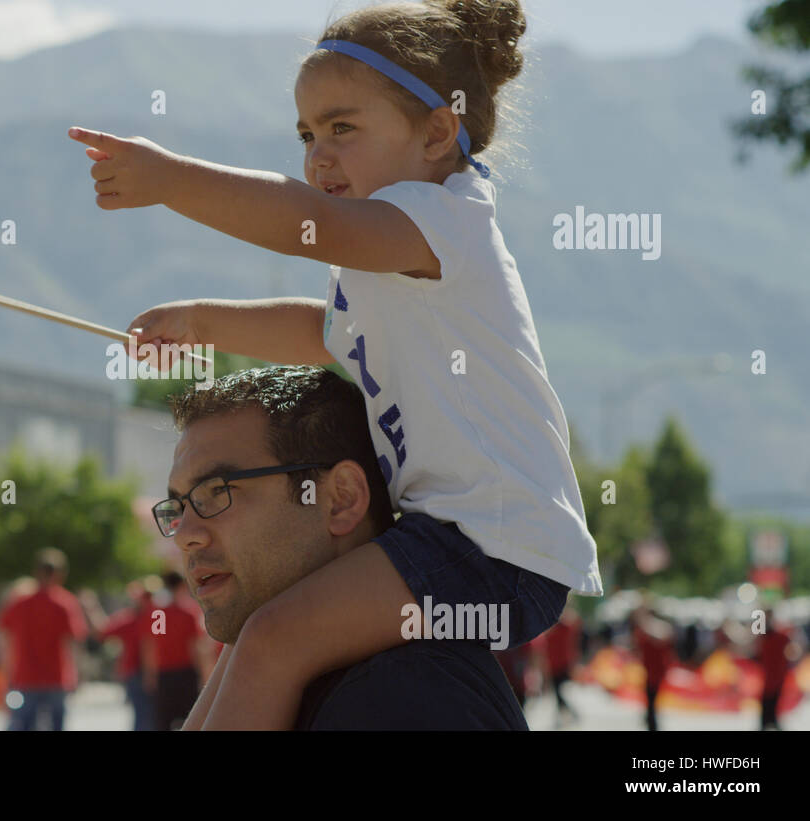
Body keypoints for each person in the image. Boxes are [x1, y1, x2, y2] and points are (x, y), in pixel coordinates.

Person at [72, 0, 599, 730]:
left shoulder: (448, 220)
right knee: (252, 640)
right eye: (306, 134)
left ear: (438, 131)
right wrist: (203, 321)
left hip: (499, 548)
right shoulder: (388, 266)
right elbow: (323, 332)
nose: (318, 156)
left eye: (342, 128)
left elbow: (302, 225)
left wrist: (171, 180)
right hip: (453, 537)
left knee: (273, 639)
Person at [160, 365, 527, 730]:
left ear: (342, 499)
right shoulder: (281, 681)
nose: (184, 535)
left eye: (219, 491)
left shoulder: (394, 695)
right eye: (179, 507)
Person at [0, 548, 87, 731]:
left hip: (25, 677)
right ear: (60, 574)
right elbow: (72, 642)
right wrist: (77, 675)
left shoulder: (20, 603)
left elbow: (5, 640)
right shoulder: (65, 603)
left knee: (21, 724)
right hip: (56, 678)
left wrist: (6, 672)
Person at [93, 578, 159, 731]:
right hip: (138, 673)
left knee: (147, 716)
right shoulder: (133, 617)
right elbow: (102, 631)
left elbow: (154, 643)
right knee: (145, 716)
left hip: (146, 673)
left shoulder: (155, 615)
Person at [150, 571, 211, 730]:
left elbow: (154, 644)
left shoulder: (158, 614)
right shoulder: (190, 612)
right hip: (186, 673)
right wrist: (206, 676)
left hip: (164, 673)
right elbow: (196, 647)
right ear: (183, 586)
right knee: (191, 720)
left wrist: (151, 673)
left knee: (163, 721)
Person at [631, 602, 674, 732]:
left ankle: (652, 723)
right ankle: (650, 721)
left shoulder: (656, 625)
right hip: (648, 669)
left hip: (657, 669)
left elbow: (662, 639)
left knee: (652, 698)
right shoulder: (642, 627)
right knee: (649, 699)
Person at [540, 600, 581, 727]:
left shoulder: (565, 624)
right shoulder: (554, 625)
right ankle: (563, 715)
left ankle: (568, 714)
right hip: (553, 662)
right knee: (557, 692)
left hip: (562, 662)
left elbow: (571, 622)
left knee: (558, 691)